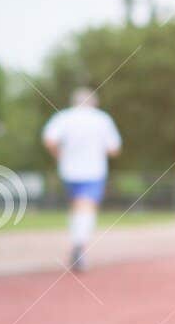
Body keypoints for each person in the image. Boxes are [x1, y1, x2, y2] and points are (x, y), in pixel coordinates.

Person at [41, 87, 121, 271]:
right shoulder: (102, 119)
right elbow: (114, 148)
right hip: (93, 171)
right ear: (94, 102)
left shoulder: (63, 117)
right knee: (86, 207)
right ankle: (79, 246)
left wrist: (60, 155)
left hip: (68, 170)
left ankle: (77, 244)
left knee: (76, 207)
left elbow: (49, 140)